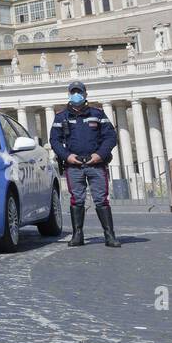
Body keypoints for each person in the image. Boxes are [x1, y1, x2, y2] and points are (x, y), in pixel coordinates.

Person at [49, 80, 121, 247]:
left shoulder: (98, 114)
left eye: (79, 92)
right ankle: (77, 235)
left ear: (85, 94)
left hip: (96, 163)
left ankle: (109, 235)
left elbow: (110, 136)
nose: (76, 95)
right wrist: (66, 156)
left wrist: (100, 155)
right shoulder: (61, 117)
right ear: (69, 95)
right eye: (73, 92)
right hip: (73, 165)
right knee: (77, 200)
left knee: (101, 199)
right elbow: (54, 140)